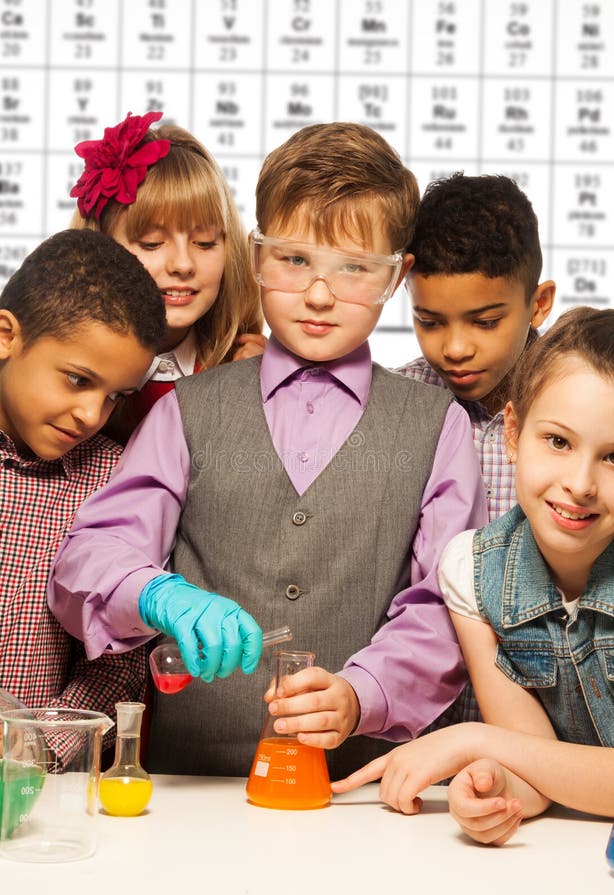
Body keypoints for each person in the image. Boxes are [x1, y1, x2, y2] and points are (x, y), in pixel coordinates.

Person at [48, 122, 487, 779]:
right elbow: (89, 556)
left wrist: (364, 692)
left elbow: (446, 607)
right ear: (254, 256)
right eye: (295, 259)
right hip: (183, 789)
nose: (318, 294)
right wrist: (154, 593)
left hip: (357, 797)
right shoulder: (185, 412)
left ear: (398, 276)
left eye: (355, 269)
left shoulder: (438, 427)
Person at [332, 306, 614, 843]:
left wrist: (472, 739)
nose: (580, 483)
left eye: (613, 456)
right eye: (558, 441)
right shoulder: (473, 570)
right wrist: (490, 788)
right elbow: (534, 768)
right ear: (512, 432)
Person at [0, 228, 166, 764]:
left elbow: (117, 663)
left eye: (115, 396)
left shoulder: (111, 481)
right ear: (6, 336)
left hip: (39, 789)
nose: (93, 416)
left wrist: (40, 751)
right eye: (77, 380)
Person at [70, 110, 265, 444]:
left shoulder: (244, 368)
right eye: (152, 243)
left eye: (204, 243)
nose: (183, 264)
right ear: (98, 249)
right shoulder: (62, 369)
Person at [398, 172, 555, 521]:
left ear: (539, 304)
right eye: (430, 322)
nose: (455, 349)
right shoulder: (395, 404)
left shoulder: (580, 400)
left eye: (485, 323)